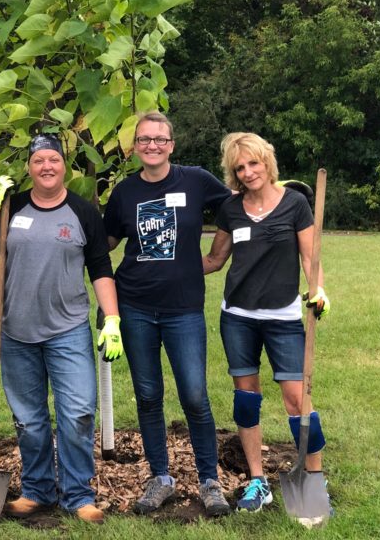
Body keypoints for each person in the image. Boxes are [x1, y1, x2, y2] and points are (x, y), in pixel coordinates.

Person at [0, 134, 123, 525]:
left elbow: (100, 269)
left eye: (53, 159)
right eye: (38, 161)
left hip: (67, 330)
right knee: (29, 419)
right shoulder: (13, 206)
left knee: (78, 413)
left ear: (64, 165)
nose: (46, 166)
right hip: (16, 332)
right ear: (29, 167)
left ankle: (78, 495)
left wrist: (112, 319)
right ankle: (37, 490)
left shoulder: (83, 212)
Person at [103, 111, 233, 517]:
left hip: (184, 309)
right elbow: (106, 242)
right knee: (148, 396)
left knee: (194, 395)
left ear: (172, 145)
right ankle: (160, 478)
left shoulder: (196, 180)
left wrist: (217, 256)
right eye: (144, 139)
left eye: (160, 139)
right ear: (135, 147)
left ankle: (209, 481)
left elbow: (236, 209)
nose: (152, 145)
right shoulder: (125, 192)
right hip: (135, 306)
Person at [203, 132, 331, 513]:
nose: (248, 172)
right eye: (240, 167)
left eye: (253, 163)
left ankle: (313, 482)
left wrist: (320, 290)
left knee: (297, 400)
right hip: (238, 318)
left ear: (267, 162)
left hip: (283, 318)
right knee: (246, 400)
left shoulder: (294, 204)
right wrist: (169, 268)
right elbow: (215, 259)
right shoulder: (231, 209)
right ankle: (258, 482)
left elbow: (310, 259)